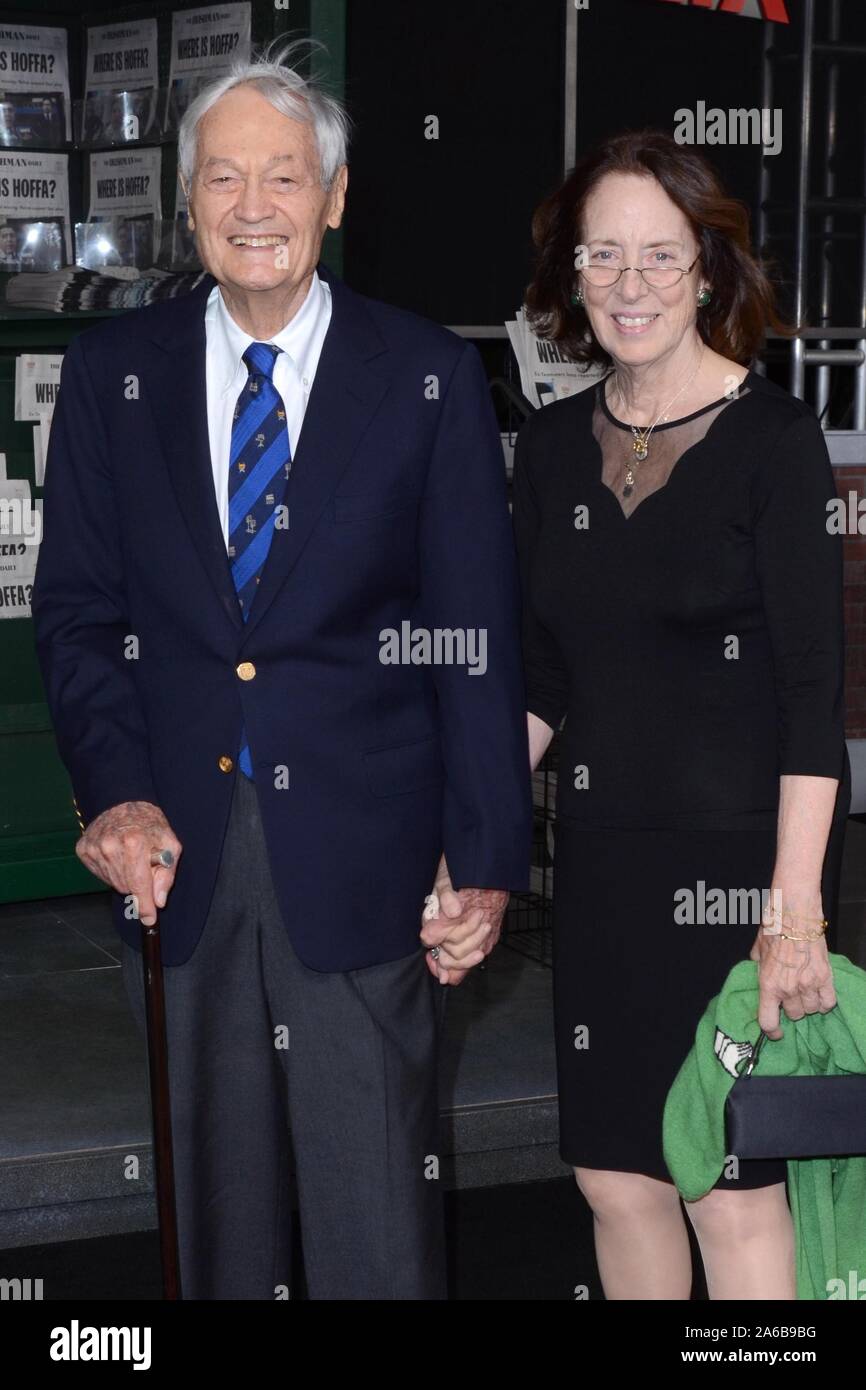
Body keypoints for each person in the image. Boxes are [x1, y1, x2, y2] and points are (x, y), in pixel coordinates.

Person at [32, 39, 532, 1301]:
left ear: (338, 194)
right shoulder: (109, 379)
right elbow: (81, 614)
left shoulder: (424, 376)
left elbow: (473, 636)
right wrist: (117, 791)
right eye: (223, 179)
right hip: (182, 857)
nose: (254, 206)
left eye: (285, 177)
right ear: (188, 200)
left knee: (375, 1219)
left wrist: (479, 859)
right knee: (214, 1225)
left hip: (369, 858)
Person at [511, 129, 850, 1300]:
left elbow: (814, 699)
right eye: (600, 255)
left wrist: (792, 912)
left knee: (728, 1187)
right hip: (601, 867)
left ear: (705, 269)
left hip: (742, 878)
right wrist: (476, 831)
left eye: (659, 255)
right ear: (569, 274)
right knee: (616, 1178)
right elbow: (542, 677)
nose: (629, 284)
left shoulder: (773, 441)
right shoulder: (550, 450)